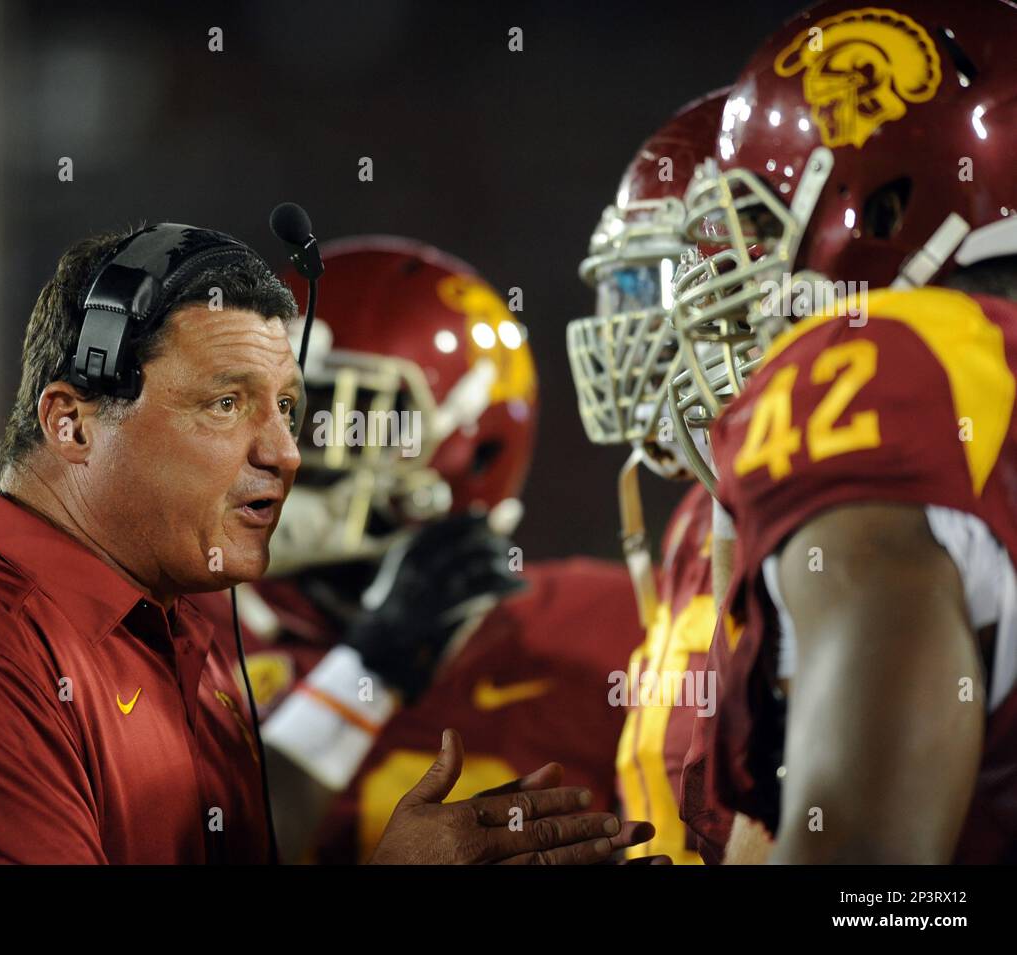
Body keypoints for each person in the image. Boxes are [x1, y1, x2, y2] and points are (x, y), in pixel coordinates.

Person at [0, 222, 658, 864]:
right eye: (225, 405)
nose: (287, 454)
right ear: (71, 424)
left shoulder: (177, 616)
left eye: (290, 412)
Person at [667, 0, 1017, 863]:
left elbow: (863, 875)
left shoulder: (889, 368)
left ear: (886, 204)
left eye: (755, 226)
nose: (737, 275)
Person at [194, 236, 653, 863]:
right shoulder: (182, 633)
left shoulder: (608, 630)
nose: (275, 449)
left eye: (331, 416)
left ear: (471, 445)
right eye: (247, 408)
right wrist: (366, 671)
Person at [566, 89, 733, 864]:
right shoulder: (698, 512)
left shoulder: (827, 497)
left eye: (652, 284)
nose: (623, 326)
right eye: (619, 290)